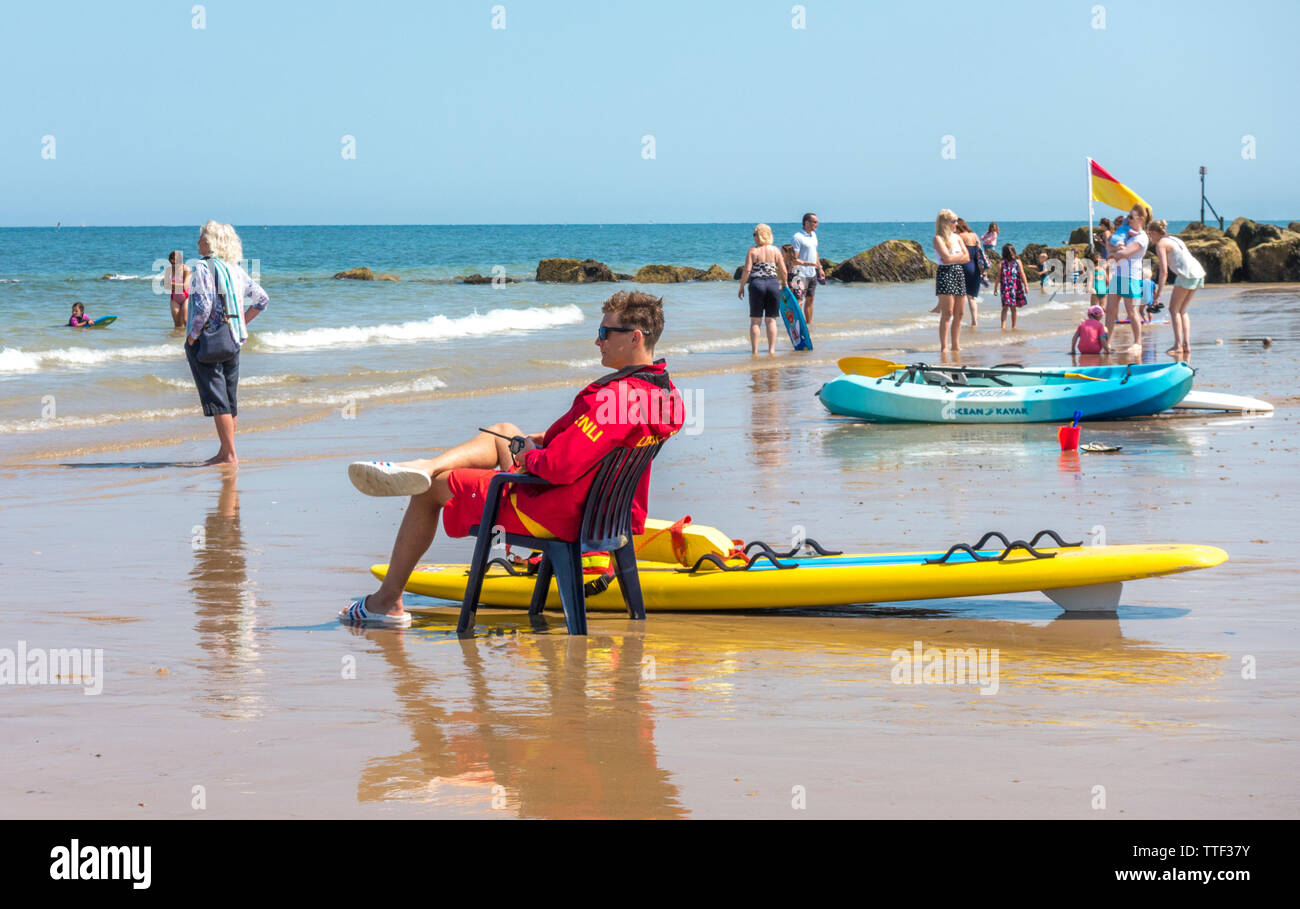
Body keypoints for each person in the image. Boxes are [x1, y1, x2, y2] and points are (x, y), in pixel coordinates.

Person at [342, 291, 686, 627]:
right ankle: (426, 463)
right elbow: (602, 443)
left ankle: (387, 601)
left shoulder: (615, 399)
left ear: (635, 337)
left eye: (604, 333)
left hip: (560, 514)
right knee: (502, 432)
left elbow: (561, 468)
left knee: (432, 490)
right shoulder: (664, 395)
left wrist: (531, 455)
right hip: (607, 514)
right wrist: (546, 441)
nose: (598, 341)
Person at [185, 221, 270, 465]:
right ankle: (226, 451)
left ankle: (229, 454)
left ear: (210, 241)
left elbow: (202, 308)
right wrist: (242, 322)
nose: (197, 241)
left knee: (216, 396)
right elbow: (262, 299)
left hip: (209, 339)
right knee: (230, 398)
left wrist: (192, 336)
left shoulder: (202, 268)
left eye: (201, 236)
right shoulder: (235, 269)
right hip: (233, 338)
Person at [1148, 220, 1205, 357]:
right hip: (1198, 272)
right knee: (1182, 310)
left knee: (1173, 310)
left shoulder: (1161, 244)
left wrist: (1158, 295)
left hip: (1186, 274)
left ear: (1155, 233)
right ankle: (1186, 344)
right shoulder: (1173, 239)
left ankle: (1178, 345)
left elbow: (1164, 271)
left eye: (1150, 234)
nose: (1150, 237)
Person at [737, 224, 789, 355]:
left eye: (754, 234)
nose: (753, 237)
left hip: (757, 284)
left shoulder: (753, 251)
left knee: (755, 321)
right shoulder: (776, 250)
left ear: (759, 235)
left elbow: (747, 270)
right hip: (772, 284)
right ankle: (771, 350)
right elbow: (783, 269)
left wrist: (741, 286)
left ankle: (755, 351)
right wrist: (785, 284)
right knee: (771, 320)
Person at [1105, 204, 1150, 350]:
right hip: (1118, 275)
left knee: (1131, 311)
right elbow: (1109, 248)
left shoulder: (1142, 237)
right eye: (1128, 216)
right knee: (1111, 310)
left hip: (1131, 276)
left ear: (1141, 219)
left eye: (1131, 217)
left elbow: (1124, 254)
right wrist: (1116, 250)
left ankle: (1137, 343)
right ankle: (1107, 342)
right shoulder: (1127, 233)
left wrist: (1117, 252)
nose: (1128, 219)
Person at [932, 209, 969, 353]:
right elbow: (945, 259)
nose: (957, 223)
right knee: (947, 313)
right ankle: (944, 347)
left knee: (960, 313)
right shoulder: (938, 239)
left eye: (957, 220)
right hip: (945, 273)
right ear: (945, 222)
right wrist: (958, 255)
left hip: (958, 272)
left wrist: (954, 257)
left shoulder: (958, 237)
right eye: (954, 221)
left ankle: (955, 345)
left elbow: (967, 258)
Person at [791, 213, 824, 325]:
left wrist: (819, 268)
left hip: (812, 273)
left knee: (810, 299)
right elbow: (794, 258)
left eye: (817, 222)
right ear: (807, 223)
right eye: (814, 222)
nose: (817, 224)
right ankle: (798, 325)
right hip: (799, 274)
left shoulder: (813, 235)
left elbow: (815, 253)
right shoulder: (797, 237)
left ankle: (809, 325)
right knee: (799, 301)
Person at [956, 217, 986, 327]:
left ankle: (958, 320)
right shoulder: (974, 235)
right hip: (976, 268)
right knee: (972, 297)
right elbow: (980, 253)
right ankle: (974, 321)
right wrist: (983, 270)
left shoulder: (959, 236)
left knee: (961, 296)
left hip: (964, 266)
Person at [995, 244, 1029, 330]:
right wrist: (1026, 285)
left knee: (1007, 308)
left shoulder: (1014, 262)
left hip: (1011, 288)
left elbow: (1022, 274)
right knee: (1009, 308)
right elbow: (999, 276)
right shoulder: (1004, 263)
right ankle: (1007, 326)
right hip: (1011, 288)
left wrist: (1026, 285)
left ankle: (1010, 326)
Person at [164, 250, 191, 329]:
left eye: (175, 263)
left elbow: (185, 286)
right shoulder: (169, 270)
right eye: (171, 263)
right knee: (177, 324)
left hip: (186, 297)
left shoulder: (186, 269)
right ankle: (177, 340)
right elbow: (166, 286)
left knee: (186, 320)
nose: (173, 265)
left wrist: (171, 285)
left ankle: (188, 339)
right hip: (174, 298)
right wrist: (180, 286)